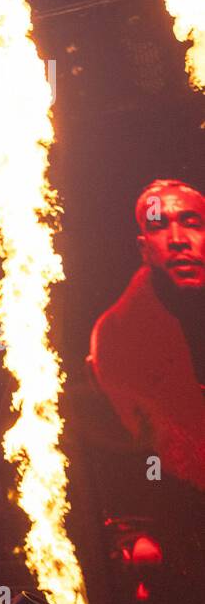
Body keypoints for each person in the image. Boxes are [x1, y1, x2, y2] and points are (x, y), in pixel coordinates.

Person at [89, 179, 205, 493]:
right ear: (144, 249)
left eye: (192, 224)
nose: (178, 240)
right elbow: (147, 460)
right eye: (159, 227)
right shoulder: (115, 341)